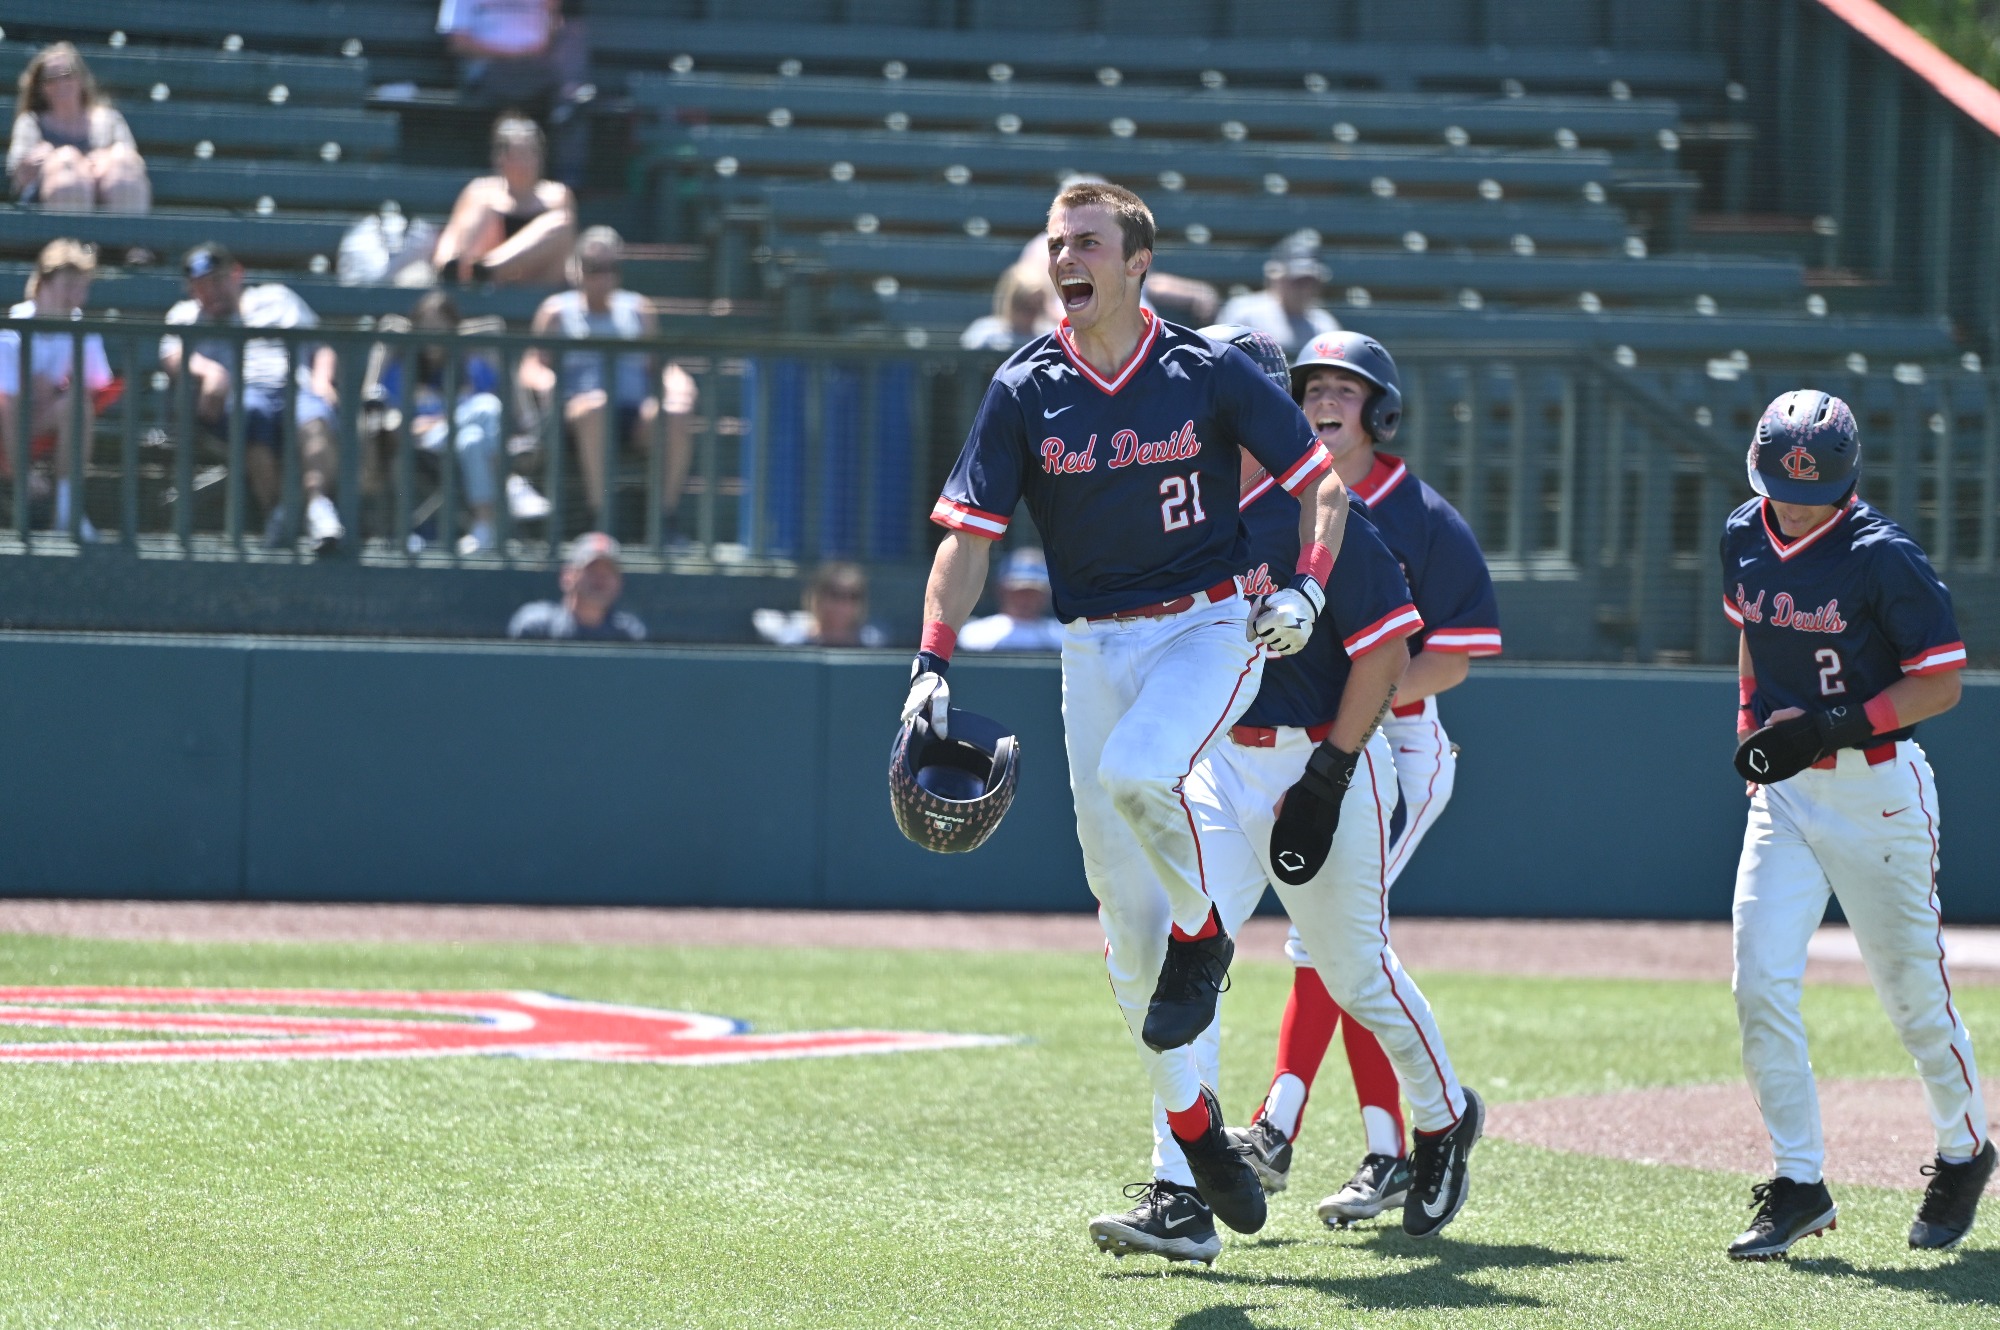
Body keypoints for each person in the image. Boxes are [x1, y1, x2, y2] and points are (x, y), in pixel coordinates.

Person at [904, 179, 1348, 1259]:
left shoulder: (1209, 367)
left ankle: (1209, 932)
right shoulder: (1024, 386)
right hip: (1091, 643)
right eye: (1055, 241)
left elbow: (1319, 483)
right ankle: (1189, 1156)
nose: (1065, 256)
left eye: (1087, 240)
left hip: (1204, 627)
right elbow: (965, 538)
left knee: (1139, 775)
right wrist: (929, 662)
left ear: (1137, 260)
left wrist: (1308, 587)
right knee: (1120, 929)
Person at [1094, 325, 1478, 1264]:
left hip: (1321, 758)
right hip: (1221, 767)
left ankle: (1442, 1121)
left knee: (1354, 971)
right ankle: (1181, 1190)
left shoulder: (1324, 514)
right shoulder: (1181, 512)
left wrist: (1335, 771)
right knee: (1186, 970)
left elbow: (1389, 650)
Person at [1228, 330, 1503, 1230]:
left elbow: (1452, 659)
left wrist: (1366, 701)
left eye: (1347, 386)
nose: (1325, 399)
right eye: (1311, 385)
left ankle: (1308, 1130)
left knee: (1333, 951)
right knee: (1336, 952)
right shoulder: (1274, 497)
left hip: (1399, 748)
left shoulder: (1414, 510)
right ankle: (1382, 1139)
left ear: (1379, 408)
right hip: (1299, 743)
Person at [1719, 390, 1989, 1258]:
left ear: (1845, 479)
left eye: (1814, 484)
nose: (1794, 498)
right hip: (1789, 796)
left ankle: (1965, 1148)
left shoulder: (1883, 556)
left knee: (1912, 997)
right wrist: (1750, 721)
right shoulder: (1742, 532)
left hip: (1878, 789)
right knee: (1758, 981)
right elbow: (1753, 635)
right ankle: (1798, 1182)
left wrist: (1829, 728)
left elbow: (1941, 683)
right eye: (1781, 480)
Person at [158, 244, 345, 554]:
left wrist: (323, 379)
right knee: (252, 413)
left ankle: (317, 507)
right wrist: (209, 372)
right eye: (200, 287)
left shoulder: (277, 298)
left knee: (315, 417)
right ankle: (277, 512)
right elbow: (171, 355)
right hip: (238, 397)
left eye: (216, 281)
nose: (210, 293)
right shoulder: (184, 316)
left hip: (295, 388)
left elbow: (321, 345)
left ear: (237, 275)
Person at [521, 226, 696, 534]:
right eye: (593, 269)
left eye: (610, 268)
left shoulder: (640, 309)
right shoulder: (557, 312)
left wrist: (678, 384)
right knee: (596, 407)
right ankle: (599, 517)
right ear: (576, 269)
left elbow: (660, 366)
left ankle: (663, 519)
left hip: (632, 411)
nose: (602, 277)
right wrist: (548, 382)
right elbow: (531, 366)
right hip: (576, 413)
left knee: (676, 415)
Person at [364, 290, 519, 555]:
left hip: (460, 442)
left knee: (472, 438)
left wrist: (459, 334)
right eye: (425, 327)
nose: (432, 335)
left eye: (440, 327)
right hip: (423, 443)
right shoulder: (403, 369)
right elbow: (392, 423)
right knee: (486, 408)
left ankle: (484, 526)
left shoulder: (469, 365)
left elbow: (495, 327)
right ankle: (512, 485)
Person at [0, 238, 115, 540]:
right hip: (6, 428)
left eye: (82, 287)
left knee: (76, 403)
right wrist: (23, 472)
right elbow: (8, 406)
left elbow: (96, 387)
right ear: (44, 282)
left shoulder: (81, 326)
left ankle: (67, 512)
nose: (77, 296)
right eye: (69, 285)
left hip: (40, 422)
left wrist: (59, 390)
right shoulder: (13, 329)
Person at [436, 0, 591, 188]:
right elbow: (458, 42)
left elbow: (551, 37)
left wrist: (552, 11)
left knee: (572, 40)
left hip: (538, 71)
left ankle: (568, 179)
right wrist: (514, 54)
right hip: (489, 72)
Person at [431, 115, 576, 287]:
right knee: (484, 206)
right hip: (485, 282)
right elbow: (452, 236)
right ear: (500, 158)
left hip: (538, 283)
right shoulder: (482, 191)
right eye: (519, 154)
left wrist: (488, 268)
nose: (527, 162)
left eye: (532, 153)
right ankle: (470, 276)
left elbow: (566, 255)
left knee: (561, 222)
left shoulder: (558, 194)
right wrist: (444, 263)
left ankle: (489, 268)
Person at [6, 43, 149, 213]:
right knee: (67, 168)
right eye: (50, 79)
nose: (60, 83)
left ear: (81, 79)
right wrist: (45, 162)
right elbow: (18, 175)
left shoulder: (109, 119)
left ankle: (125, 238)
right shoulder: (31, 122)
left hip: (105, 194)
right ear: (41, 88)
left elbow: (133, 162)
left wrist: (101, 163)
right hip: (47, 201)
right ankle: (69, 239)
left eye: (67, 75)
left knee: (122, 170)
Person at [1216, 231, 1339, 357]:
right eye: (1297, 281)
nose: (1304, 289)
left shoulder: (1324, 324)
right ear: (1277, 278)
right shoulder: (1244, 311)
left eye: (1310, 282)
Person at [507, 531, 647, 641]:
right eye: (591, 570)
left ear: (619, 582)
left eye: (608, 571)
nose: (600, 578)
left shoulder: (629, 633)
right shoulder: (536, 627)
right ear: (568, 576)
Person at [752, 560, 887, 647]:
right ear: (817, 597)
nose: (843, 605)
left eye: (853, 596)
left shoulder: (871, 641)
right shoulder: (795, 637)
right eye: (835, 595)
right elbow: (761, 618)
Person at [958, 547, 1062, 651]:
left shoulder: (1061, 636)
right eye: (1018, 591)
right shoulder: (973, 634)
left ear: (1046, 595)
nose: (1026, 598)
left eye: (1033, 592)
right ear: (1001, 590)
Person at [961, 264, 1055, 353]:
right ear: (1010, 302)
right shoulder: (986, 335)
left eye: (1037, 306)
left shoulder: (1049, 338)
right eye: (1024, 305)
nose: (1029, 314)